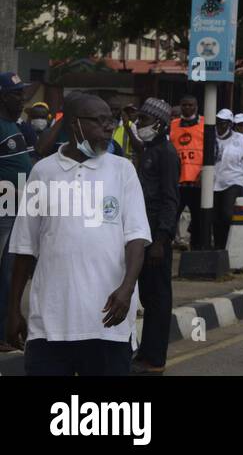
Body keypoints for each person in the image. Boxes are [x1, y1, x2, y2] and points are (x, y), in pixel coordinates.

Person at [5, 94, 150, 376]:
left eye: (112, 120)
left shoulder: (123, 171)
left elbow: (136, 238)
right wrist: (12, 311)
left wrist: (127, 288)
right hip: (50, 325)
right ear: (75, 125)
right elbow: (24, 247)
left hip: (109, 324)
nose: (109, 127)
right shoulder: (42, 173)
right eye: (101, 121)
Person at [132, 97, 180, 373]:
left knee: (159, 299)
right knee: (148, 298)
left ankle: (155, 357)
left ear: (159, 124)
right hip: (144, 233)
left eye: (143, 120)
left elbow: (170, 199)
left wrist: (161, 239)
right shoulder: (150, 149)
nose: (140, 125)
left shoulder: (166, 153)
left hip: (156, 238)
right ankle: (146, 351)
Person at [0, 72, 38, 350]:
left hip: (17, 212)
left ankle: (6, 330)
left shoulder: (15, 126)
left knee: (11, 274)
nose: (23, 98)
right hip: (3, 211)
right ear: (3, 96)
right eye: (16, 94)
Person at [213, 108, 243, 249]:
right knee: (214, 216)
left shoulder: (240, 139)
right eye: (218, 122)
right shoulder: (210, 136)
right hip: (212, 182)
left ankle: (226, 243)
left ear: (230, 124)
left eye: (224, 123)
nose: (221, 126)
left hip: (233, 181)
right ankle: (218, 246)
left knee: (227, 213)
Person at [171, 94, 204, 248]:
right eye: (184, 105)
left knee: (198, 220)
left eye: (191, 105)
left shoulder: (205, 123)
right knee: (171, 217)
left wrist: (205, 172)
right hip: (177, 181)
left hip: (197, 182)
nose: (187, 108)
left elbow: (214, 151)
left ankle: (196, 252)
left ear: (196, 106)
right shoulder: (173, 125)